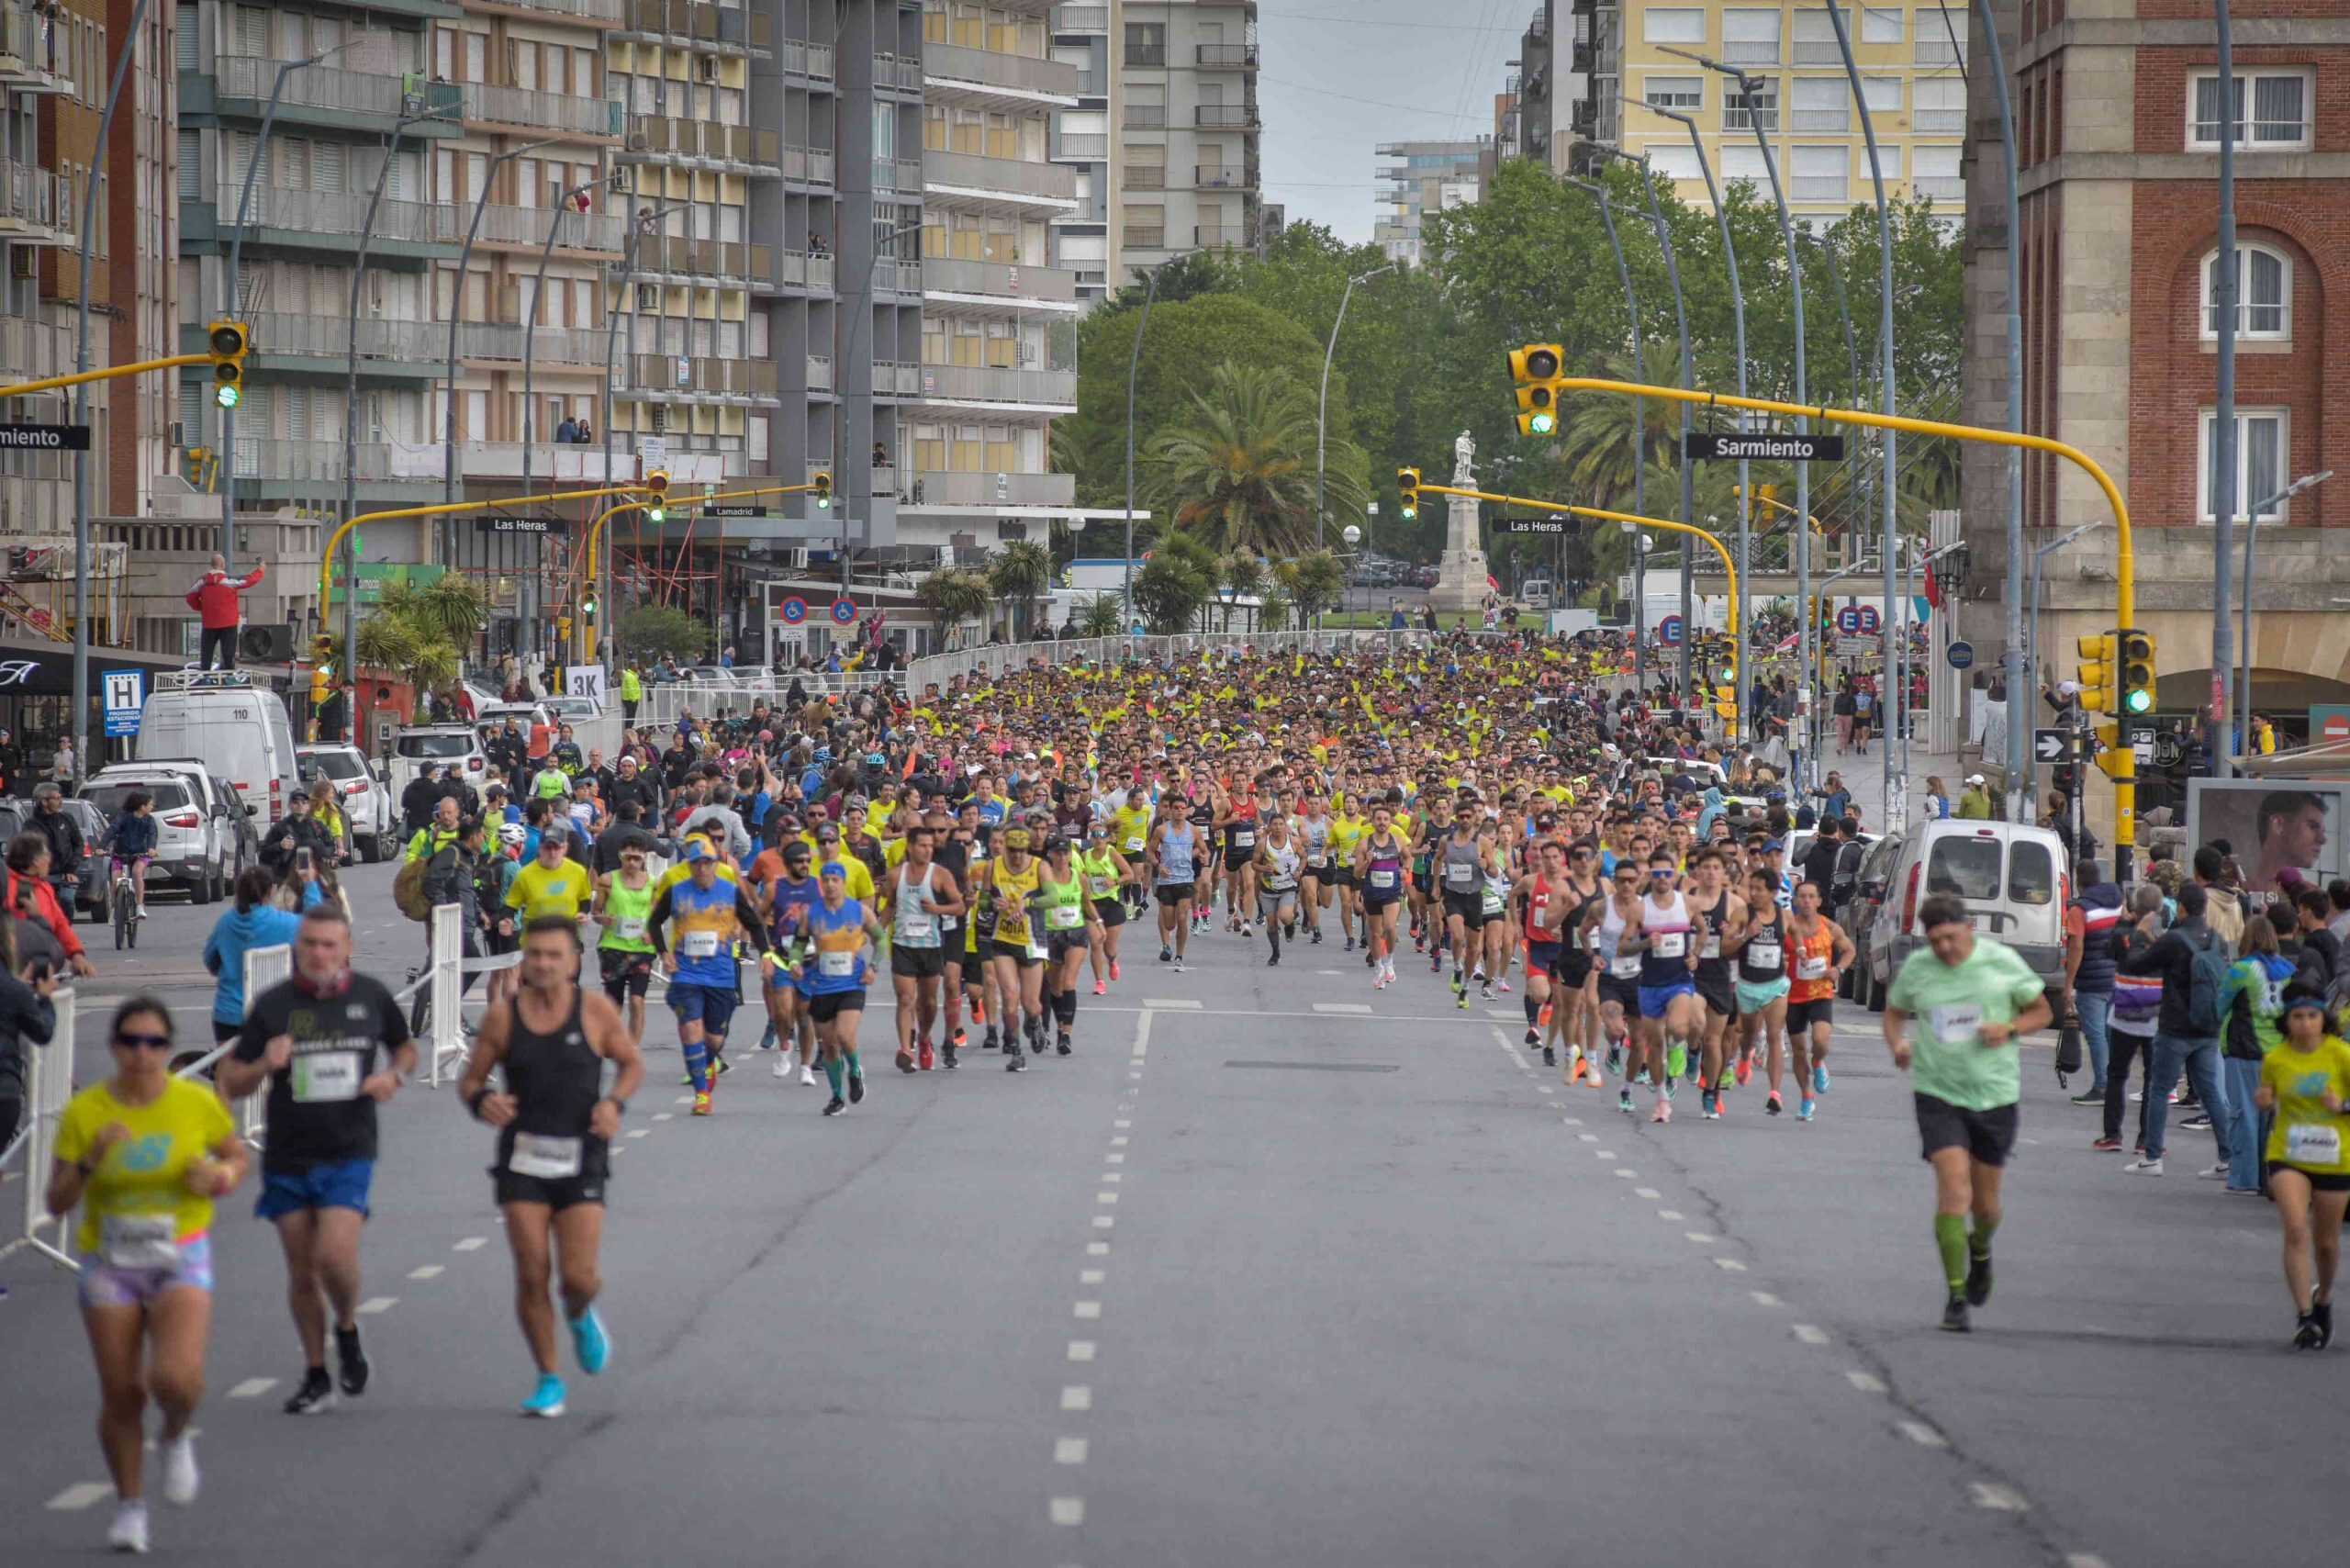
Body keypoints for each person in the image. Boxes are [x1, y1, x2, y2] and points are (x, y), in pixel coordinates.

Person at [45, 997, 244, 1554]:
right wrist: (88, 1163)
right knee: (123, 1393)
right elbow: (56, 1202)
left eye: (155, 1043)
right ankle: (130, 1505)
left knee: (176, 1381)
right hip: (110, 1261)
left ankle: (176, 1434)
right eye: (131, 1042)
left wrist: (220, 1175)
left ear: (166, 1048)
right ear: (114, 1048)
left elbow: (235, 1158)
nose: (143, 1054)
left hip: (179, 1252)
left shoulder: (192, 1103)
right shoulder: (87, 1112)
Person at [218, 906, 418, 1416]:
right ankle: (315, 1371)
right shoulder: (273, 1006)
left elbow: (405, 1048)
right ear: (296, 949)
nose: (319, 954)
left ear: (346, 948)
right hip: (288, 1153)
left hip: (349, 1147)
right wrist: (266, 1063)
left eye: (329, 945)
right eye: (309, 944)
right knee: (302, 1271)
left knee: (333, 1254)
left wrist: (391, 1077)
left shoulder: (370, 995)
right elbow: (231, 1081)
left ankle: (346, 1327)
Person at [457, 917, 642, 1416]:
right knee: (531, 1270)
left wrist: (613, 1106)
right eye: (534, 953)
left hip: (582, 1156)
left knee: (578, 1277)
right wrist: (483, 1103)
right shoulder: (503, 1017)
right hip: (523, 1159)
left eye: (553, 955)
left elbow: (631, 1064)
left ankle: (580, 1315)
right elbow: (471, 1081)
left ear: (573, 960)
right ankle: (548, 1377)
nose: (543, 963)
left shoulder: (595, 1011)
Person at [1882, 894, 2054, 1332]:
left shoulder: (2001, 962)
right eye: (1935, 940)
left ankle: (1980, 1249)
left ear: (1968, 929)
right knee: (1953, 1192)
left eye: (1950, 938)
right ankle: (1956, 1295)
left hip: (1994, 1093)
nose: (1943, 949)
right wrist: (1898, 1044)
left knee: (1987, 1206)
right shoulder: (1919, 968)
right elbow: (1894, 1012)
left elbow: (2042, 1010)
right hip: (1937, 1092)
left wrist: (2009, 1028)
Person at [2117, 880, 2237, 1178]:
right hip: (2208, 1027)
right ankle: (2227, 1156)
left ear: (2181, 907)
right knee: (2211, 1093)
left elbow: (2136, 964)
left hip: (2175, 1028)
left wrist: (2141, 934)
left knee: (2160, 1089)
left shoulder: (2174, 939)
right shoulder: (2217, 940)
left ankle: (2152, 1157)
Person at [2252, 985, 2350, 1349]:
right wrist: (2264, 1100)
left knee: (2326, 1244)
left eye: (2312, 1016)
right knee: (2295, 1229)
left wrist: (2341, 1106)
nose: (2306, 1024)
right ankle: (2305, 1316)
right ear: (2287, 1022)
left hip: (2335, 1157)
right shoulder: (2276, 1059)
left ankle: (2323, 1300)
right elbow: (2267, 1097)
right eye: (2298, 1017)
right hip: (2287, 1155)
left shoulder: (2341, 1055)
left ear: (2324, 1020)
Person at [648, 840, 770, 1115]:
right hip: (686, 974)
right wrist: (663, 953)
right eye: (697, 864)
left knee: (714, 1039)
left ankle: (708, 1063)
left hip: (721, 975)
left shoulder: (729, 892)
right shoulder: (677, 892)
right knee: (692, 1029)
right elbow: (654, 922)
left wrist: (765, 955)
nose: (702, 868)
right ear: (690, 867)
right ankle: (702, 1094)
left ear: (716, 865)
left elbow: (754, 923)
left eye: (707, 863)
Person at [796, 857, 886, 1111]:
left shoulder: (859, 911)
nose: (830, 885)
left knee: (845, 1036)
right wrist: (795, 962)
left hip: (852, 983)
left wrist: (874, 966)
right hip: (822, 985)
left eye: (835, 880)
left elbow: (880, 940)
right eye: (826, 881)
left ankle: (855, 1071)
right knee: (829, 1046)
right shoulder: (811, 913)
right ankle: (837, 1097)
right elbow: (799, 944)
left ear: (844, 884)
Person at [878, 823, 963, 1071]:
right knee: (905, 998)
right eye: (923, 846)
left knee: (928, 1002)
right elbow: (889, 907)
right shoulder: (896, 875)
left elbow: (959, 906)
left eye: (930, 846)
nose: (928, 850)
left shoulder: (940, 875)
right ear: (910, 847)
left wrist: (937, 909)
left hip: (931, 945)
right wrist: (873, 934)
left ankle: (924, 1038)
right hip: (903, 944)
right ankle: (905, 1049)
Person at [202, 868, 304, 1047]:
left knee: (230, 1069)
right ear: (272, 891)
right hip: (277, 1016)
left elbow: (211, 962)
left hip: (229, 1016)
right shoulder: (289, 923)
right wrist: (310, 886)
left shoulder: (226, 923)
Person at [185, 554, 264, 671]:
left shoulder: (203, 581)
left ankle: (204, 679)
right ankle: (228, 680)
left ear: (211, 565)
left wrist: (203, 607)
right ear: (223, 565)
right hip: (228, 624)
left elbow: (190, 597)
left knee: (206, 656)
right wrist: (261, 569)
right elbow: (249, 580)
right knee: (228, 656)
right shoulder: (228, 580)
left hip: (209, 624)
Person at [2248, 789, 2330, 895]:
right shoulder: (2234, 890)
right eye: (2313, 826)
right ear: (2278, 825)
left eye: (2323, 831)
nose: (2323, 839)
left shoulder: (2312, 898)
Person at [99, 789, 160, 917]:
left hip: (141, 855)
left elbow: (152, 835)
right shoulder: (123, 817)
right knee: (116, 880)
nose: (152, 807)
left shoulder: (149, 820)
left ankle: (139, 906)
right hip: (120, 854)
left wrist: (151, 849)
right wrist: (101, 846)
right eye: (150, 804)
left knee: (137, 872)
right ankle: (115, 909)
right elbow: (112, 830)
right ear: (142, 806)